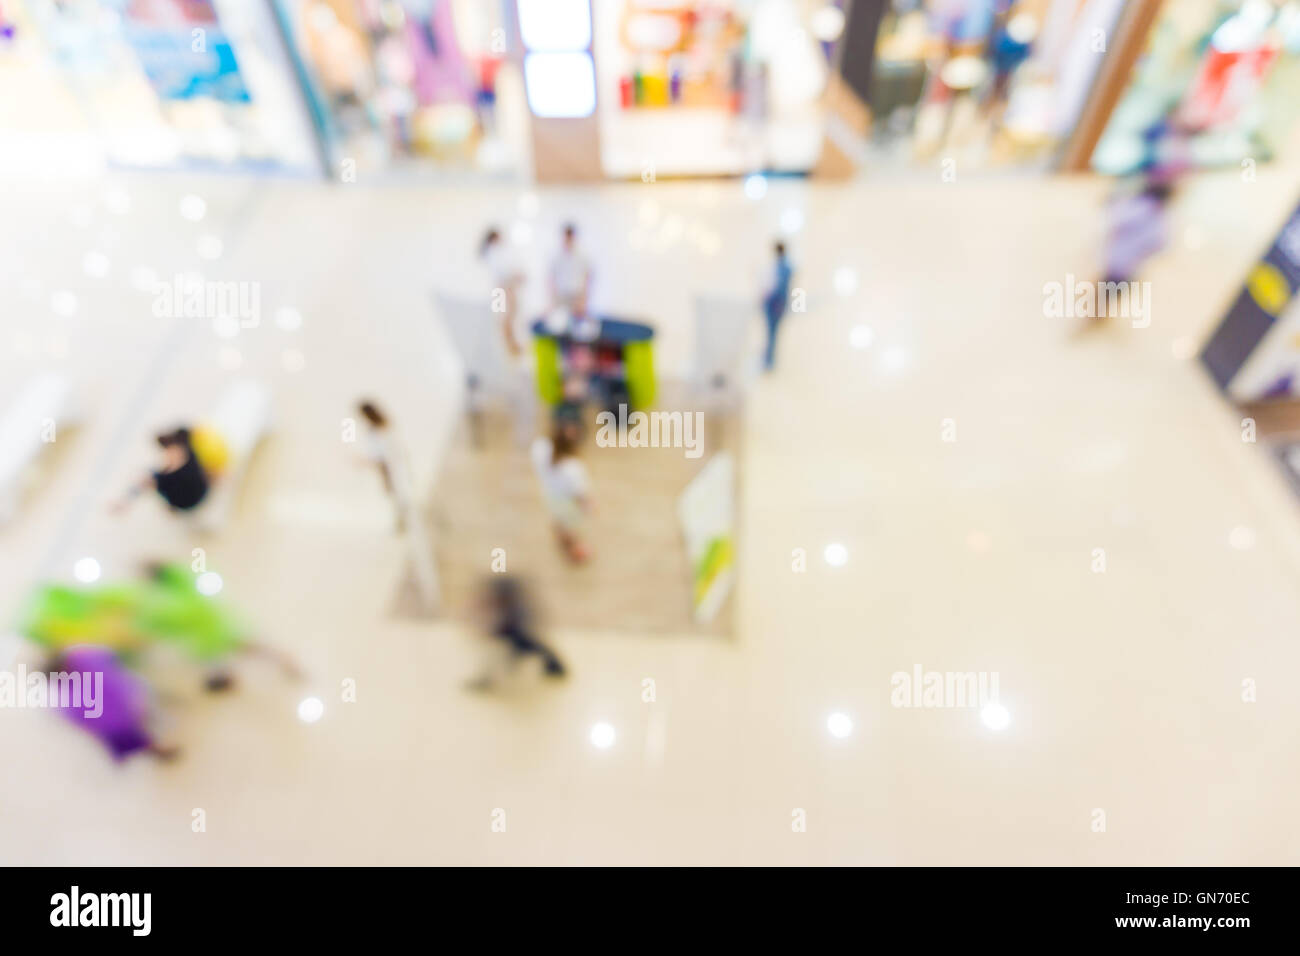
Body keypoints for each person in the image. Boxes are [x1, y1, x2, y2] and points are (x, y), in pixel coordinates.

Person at [49, 645, 179, 762]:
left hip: (127, 706)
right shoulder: (71, 696)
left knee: (146, 728)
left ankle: (160, 746)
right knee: (141, 734)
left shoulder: (84, 664)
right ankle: (160, 749)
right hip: (121, 718)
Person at [465, 577, 566, 691]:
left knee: (527, 650)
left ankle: (554, 669)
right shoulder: (509, 608)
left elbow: (517, 626)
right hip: (515, 638)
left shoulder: (517, 610)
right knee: (505, 655)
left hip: (519, 637)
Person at [530, 421, 591, 563]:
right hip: (569, 504)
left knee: (559, 523)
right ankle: (576, 551)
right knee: (571, 529)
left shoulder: (541, 449)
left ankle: (562, 541)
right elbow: (579, 493)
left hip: (550, 497)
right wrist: (588, 506)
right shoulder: (573, 468)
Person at [111, 427, 209, 514]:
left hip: (195, 496)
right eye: (167, 450)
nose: (170, 454)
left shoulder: (162, 476)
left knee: (151, 478)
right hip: (187, 501)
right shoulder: (161, 476)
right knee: (150, 477)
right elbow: (140, 486)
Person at [357, 400, 413, 532]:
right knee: (395, 495)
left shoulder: (381, 429)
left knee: (399, 495)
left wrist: (366, 461)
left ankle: (402, 524)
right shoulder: (379, 428)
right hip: (388, 466)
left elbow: (384, 452)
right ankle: (400, 523)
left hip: (391, 466)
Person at [480, 227, 525, 356]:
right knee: (506, 317)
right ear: (495, 238)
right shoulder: (494, 252)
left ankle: (511, 345)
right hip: (503, 288)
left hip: (500, 288)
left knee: (505, 317)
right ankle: (509, 346)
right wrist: (515, 277)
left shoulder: (492, 252)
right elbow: (503, 272)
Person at [548, 222, 593, 317]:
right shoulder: (557, 257)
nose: (567, 240)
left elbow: (587, 277)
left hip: (577, 296)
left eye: (570, 237)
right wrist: (552, 300)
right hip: (561, 297)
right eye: (566, 237)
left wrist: (584, 299)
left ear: (573, 237)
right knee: (560, 324)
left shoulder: (582, 256)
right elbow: (551, 278)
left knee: (576, 325)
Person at [762, 241, 794, 371]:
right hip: (772, 303)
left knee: (772, 333)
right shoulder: (780, 266)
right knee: (771, 333)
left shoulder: (784, 268)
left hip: (776, 304)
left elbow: (780, 288)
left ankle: (769, 361)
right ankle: (768, 357)